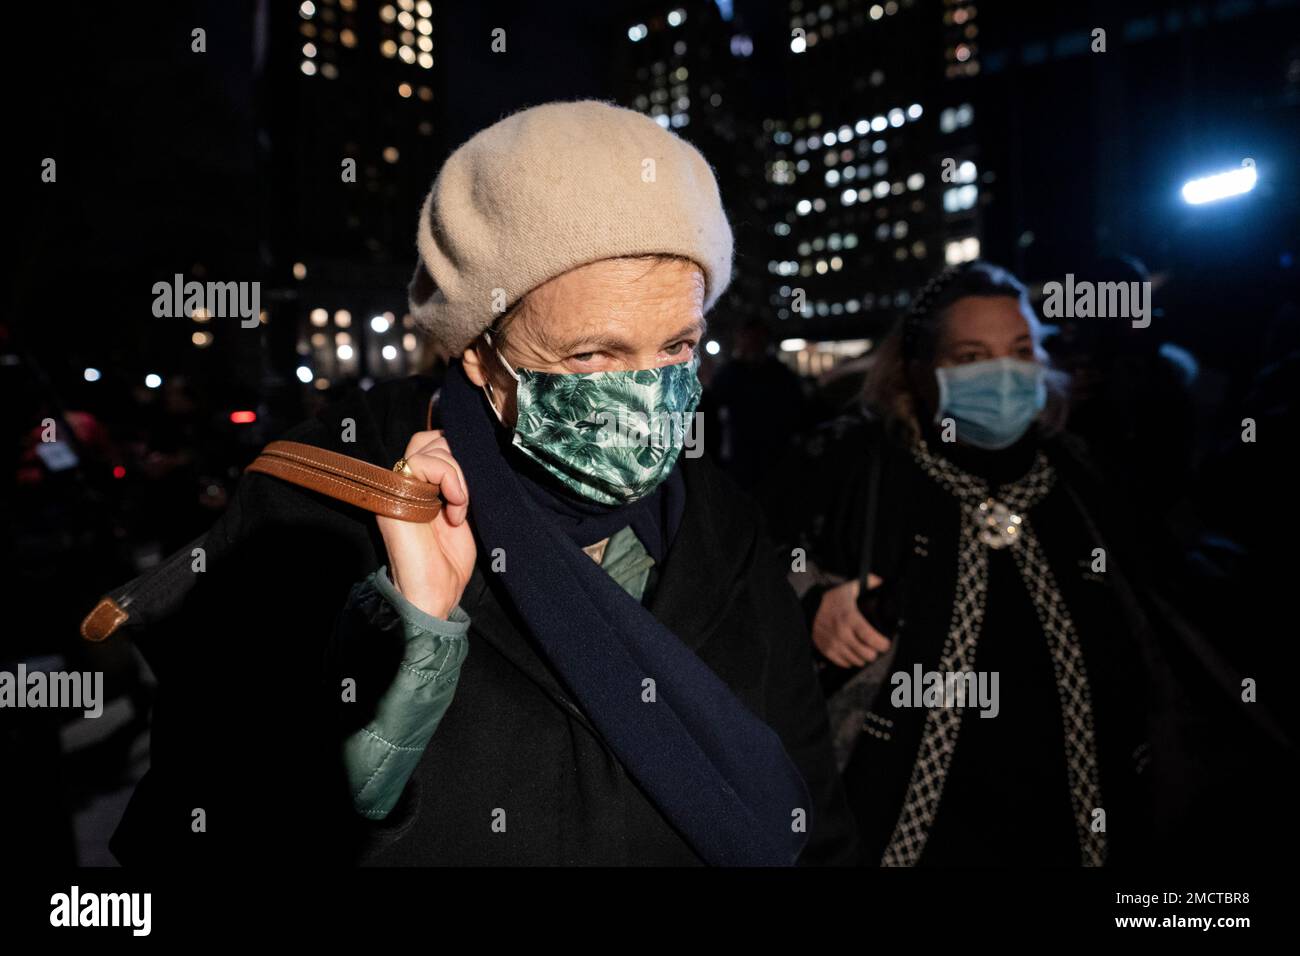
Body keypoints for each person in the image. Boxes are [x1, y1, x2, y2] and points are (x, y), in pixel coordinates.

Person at [110, 100, 856, 867]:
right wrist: (409, 639)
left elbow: (810, 795)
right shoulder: (316, 510)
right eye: (590, 356)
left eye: (676, 347)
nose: (645, 397)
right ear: (478, 351)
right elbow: (213, 827)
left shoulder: (722, 519)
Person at [762, 260, 1222, 867]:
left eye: (1020, 348)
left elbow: (1161, 610)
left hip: (1085, 815)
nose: (1003, 372)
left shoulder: (1081, 471)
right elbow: (755, 571)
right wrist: (812, 606)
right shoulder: (852, 465)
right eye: (972, 355)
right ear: (921, 370)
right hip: (913, 817)